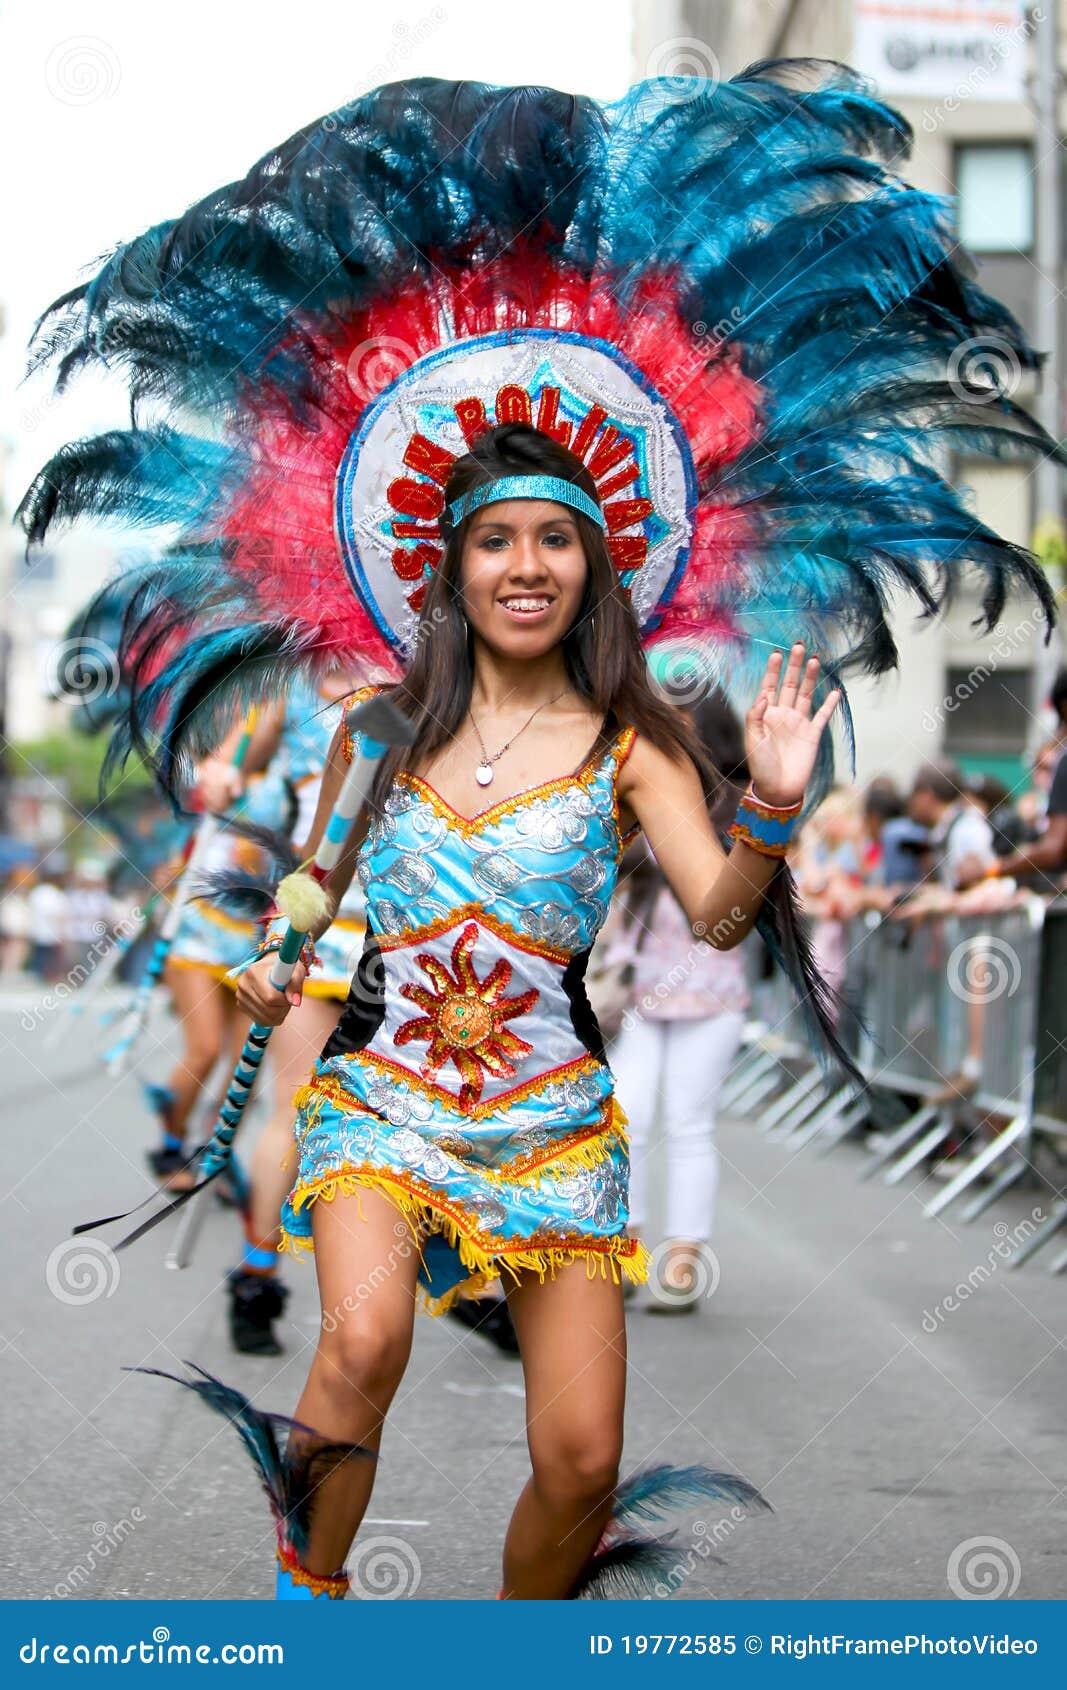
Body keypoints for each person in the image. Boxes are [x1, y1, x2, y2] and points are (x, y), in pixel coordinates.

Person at [228, 423, 839, 1598]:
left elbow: (716, 914)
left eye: (555, 539)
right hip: (381, 1103)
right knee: (363, 1341)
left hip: (552, 1122)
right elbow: (311, 888)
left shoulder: (632, 745)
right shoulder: (379, 729)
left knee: (580, 1460)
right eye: (495, 539)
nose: (525, 564)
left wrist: (766, 802)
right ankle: (304, 1621)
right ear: (450, 568)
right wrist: (271, 956)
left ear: (593, 568)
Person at [606, 694, 750, 1312]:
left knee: (690, 1125)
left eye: (683, 718)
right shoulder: (639, 784)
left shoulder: (740, 805)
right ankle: (629, 1250)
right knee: (627, 1116)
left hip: (711, 989)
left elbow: (748, 892)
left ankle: (684, 1263)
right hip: (639, 985)